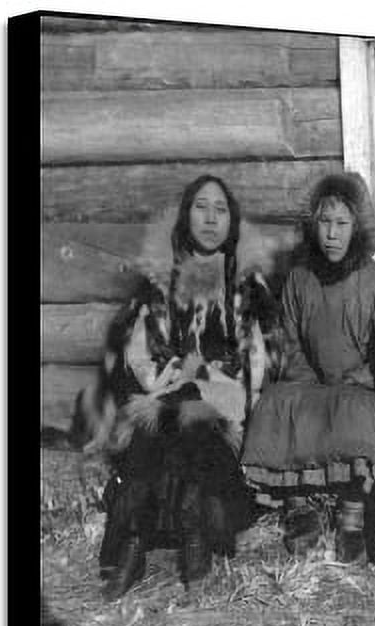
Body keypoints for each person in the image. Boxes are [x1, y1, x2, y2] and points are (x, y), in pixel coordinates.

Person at [94, 174, 268, 600]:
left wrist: (206, 382)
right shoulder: (160, 281)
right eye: (201, 207)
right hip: (165, 393)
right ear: (186, 215)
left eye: (220, 209)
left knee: (192, 413)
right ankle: (142, 545)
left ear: (232, 222)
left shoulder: (244, 286)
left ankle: (181, 538)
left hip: (221, 402)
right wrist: (177, 377)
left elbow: (258, 361)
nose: (210, 218)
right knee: (170, 416)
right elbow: (139, 354)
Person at [239, 172, 375, 558]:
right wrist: (305, 378)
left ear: (357, 227)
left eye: (342, 224)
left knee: (355, 414)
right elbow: (290, 339)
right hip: (312, 379)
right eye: (325, 223)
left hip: (363, 383)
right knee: (277, 404)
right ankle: (300, 507)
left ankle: (352, 516)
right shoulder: (300, 278)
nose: (331, 234)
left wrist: (359, 377)